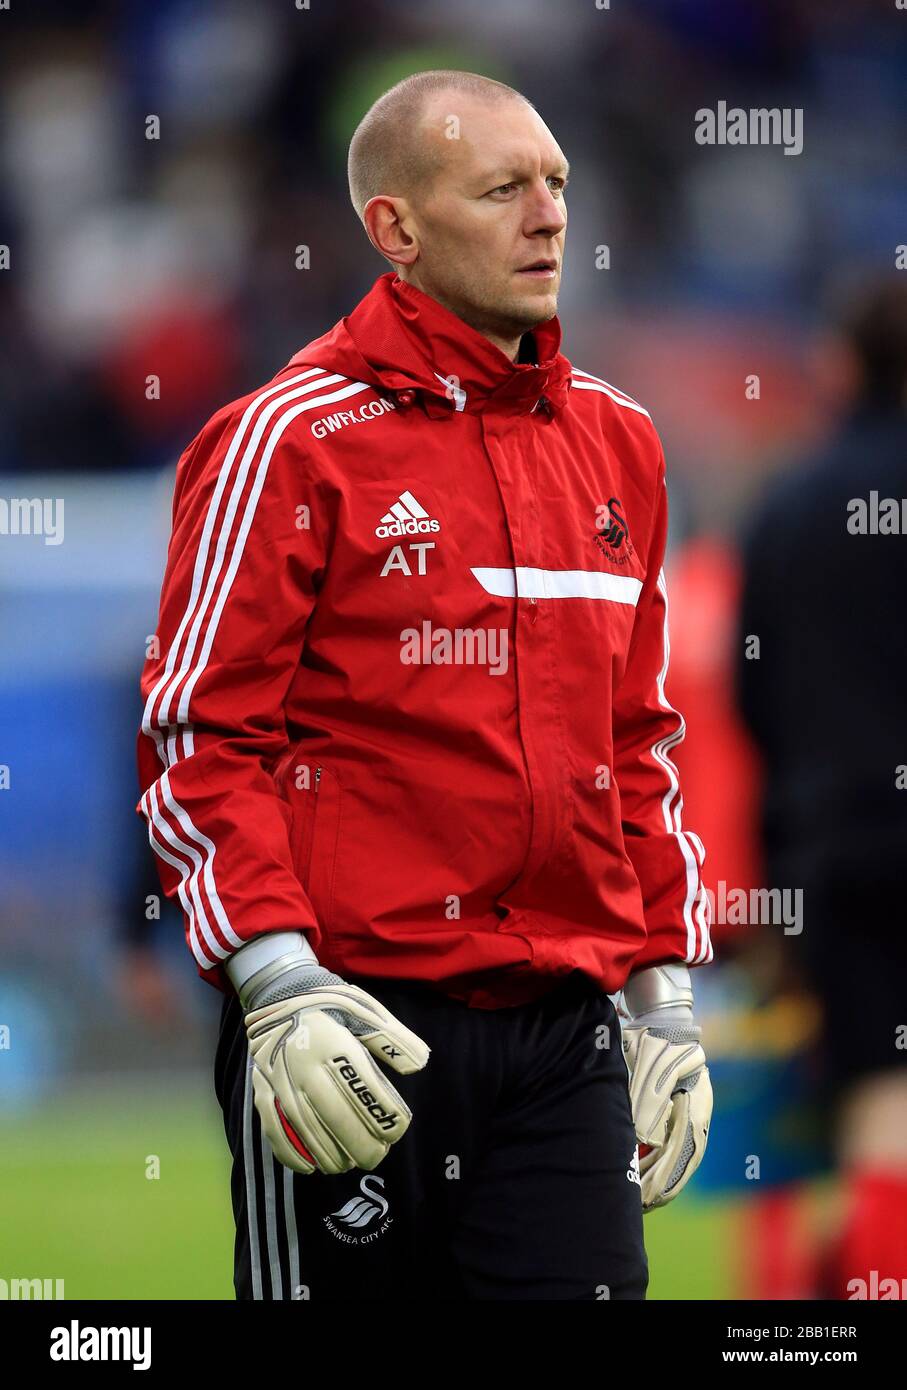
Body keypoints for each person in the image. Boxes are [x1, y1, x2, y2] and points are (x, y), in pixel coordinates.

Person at [136, 69, 713, 1302]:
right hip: (350, 1026)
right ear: (394, 229)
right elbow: (199, 736)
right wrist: (274, 977)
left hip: (567, 1037)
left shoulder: (622, 442)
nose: (549, 216)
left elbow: (639, 746)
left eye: (556, 184)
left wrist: (666, 993)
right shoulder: (281, 440)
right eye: (502, 189)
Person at [737, 275, 907, 1299]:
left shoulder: (787, 506)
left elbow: (754, 702)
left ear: (839, 366)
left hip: (834, 856)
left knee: (878, 1111)